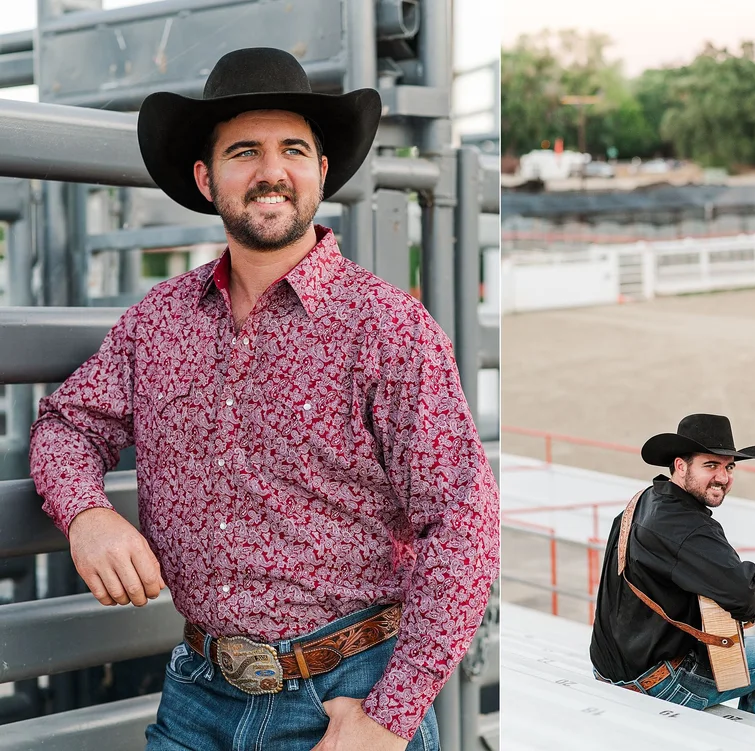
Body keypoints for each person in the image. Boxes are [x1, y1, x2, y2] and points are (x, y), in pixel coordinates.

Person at [29, 47, 499, 751]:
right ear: (205, 175)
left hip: (344, 699)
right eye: (244, 150)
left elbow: (462, 522)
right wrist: (87, 513)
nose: (271, 171)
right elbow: (67, 423)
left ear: (320, 173)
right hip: (196, 694)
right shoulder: (158, 321)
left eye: (294, 150)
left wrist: (389, 715)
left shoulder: (388, 329)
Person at [590, 414, 755, 721]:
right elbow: (745, 599)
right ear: (681, 466)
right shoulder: (689, 528)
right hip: (658, 683)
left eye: (729, 466)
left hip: (608, 669)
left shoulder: (642, 501)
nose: (723, 477)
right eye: (710, 465)